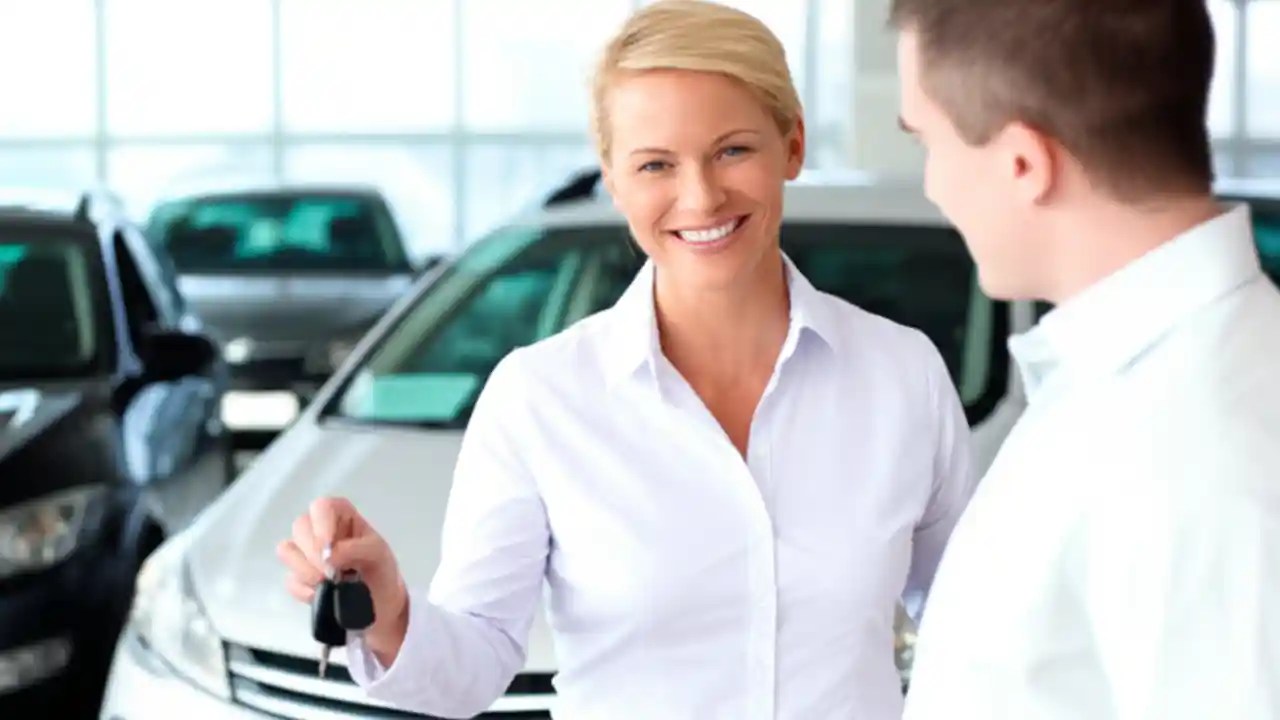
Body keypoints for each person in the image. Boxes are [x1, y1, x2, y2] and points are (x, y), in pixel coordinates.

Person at [278, 2, 976, 718]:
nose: (701, 196)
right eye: (655, 165)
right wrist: (390, 612)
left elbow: (977, 632)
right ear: (613, 180)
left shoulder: (901, 377)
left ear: (792, 144)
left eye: (733, 149)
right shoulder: (539, 396)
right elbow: (475, 662)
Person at [888, 0, 1280, 718]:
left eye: (927, 144)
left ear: (1022, 164)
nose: (932, 185)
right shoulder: (1134, 387)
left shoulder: (1204, 449)